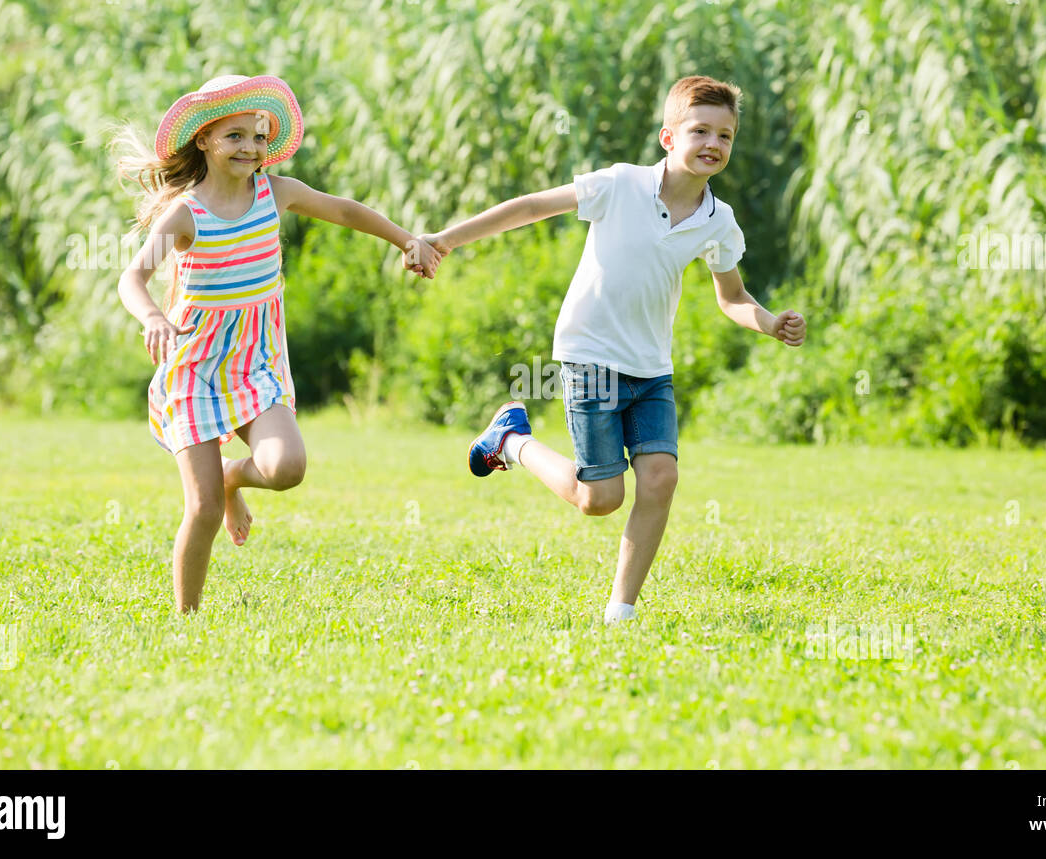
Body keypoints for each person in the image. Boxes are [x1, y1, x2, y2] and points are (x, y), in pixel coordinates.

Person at [421, 75, 806, 624]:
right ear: (668, 138)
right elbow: (532, 206)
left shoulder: (718, 220)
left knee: (660, 479)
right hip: (591, 356)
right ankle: (510, 440)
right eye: (700, 130)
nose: (714, 144)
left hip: (652, 367)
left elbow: (733, 295)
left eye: (726, 135)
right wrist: (447, 239)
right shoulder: (620, 185)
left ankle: (620, 612)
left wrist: (769, 323)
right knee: (599, 499)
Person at [114, 74, 441, 612]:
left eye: (259, 137)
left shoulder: (276, 193)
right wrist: (152, 315)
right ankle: (185, 618)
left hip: (255, 363)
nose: (251, 148)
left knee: (287, 467)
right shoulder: (185, 215)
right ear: (204, 141)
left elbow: (344, 210)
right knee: (200, 511)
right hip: (195, 367)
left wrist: (406, 239)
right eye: (235, 136)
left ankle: (230, 477)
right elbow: (132, 278)